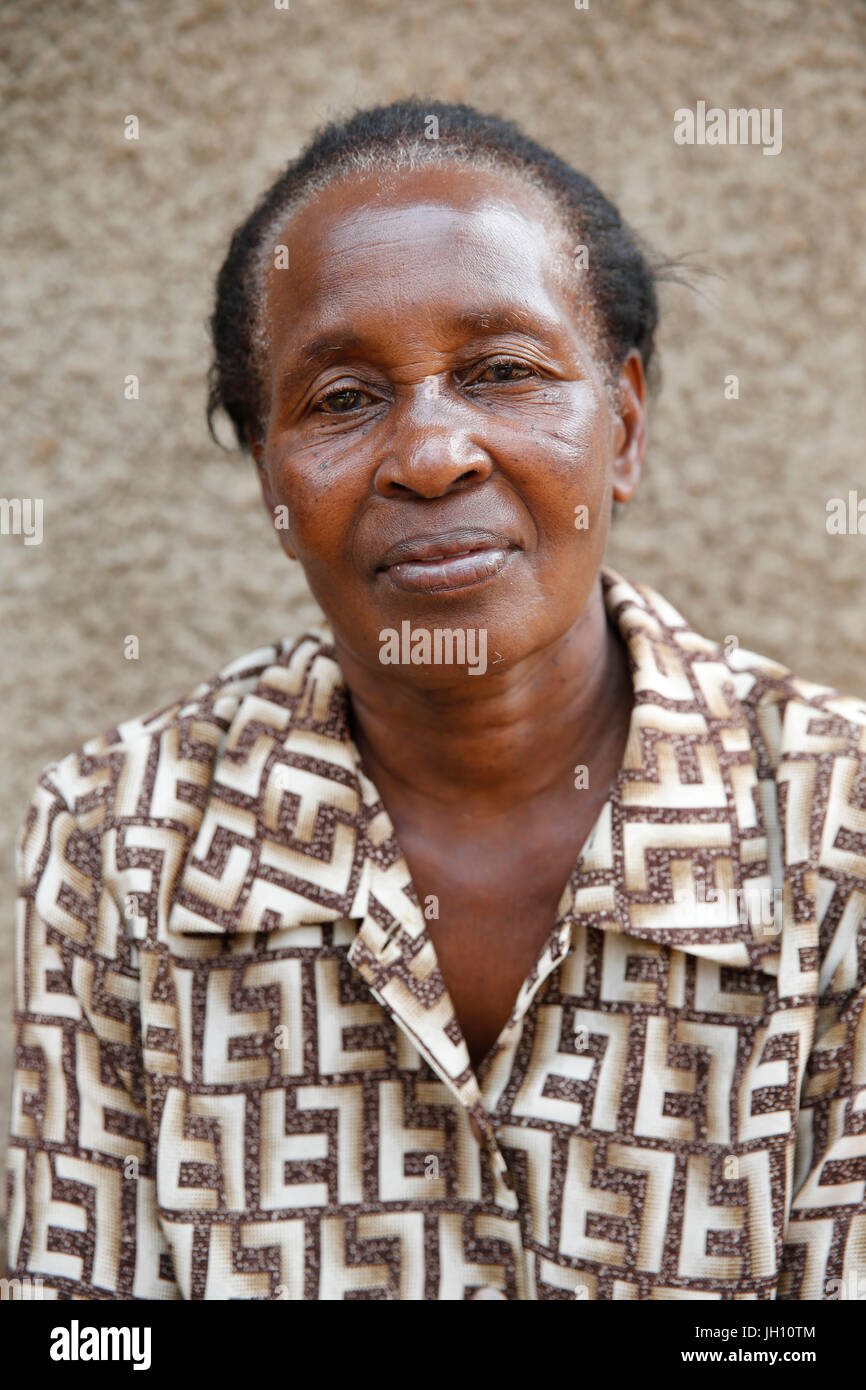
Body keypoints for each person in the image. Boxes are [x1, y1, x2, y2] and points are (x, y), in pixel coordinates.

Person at [6, 98, 866, 1301]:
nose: (429, 454)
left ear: (620, 424)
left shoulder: (836, 836)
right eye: (343, 399)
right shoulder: (117, 839)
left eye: (501, 372)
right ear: (269, 480)